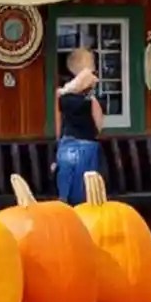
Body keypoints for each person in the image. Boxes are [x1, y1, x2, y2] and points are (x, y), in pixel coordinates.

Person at [54, 48, 104, 204]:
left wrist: (58, 146)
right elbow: (99, 125)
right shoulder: (91, 99)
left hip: (66, 143)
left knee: (65, 194)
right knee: (86, 194)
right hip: (86, 145)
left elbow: (58, 123)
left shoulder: (61, 96)